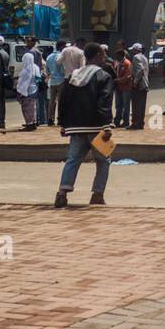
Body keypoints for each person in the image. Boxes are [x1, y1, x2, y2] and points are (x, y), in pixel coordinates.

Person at [54, 43, 115, 208]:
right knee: (103, 160)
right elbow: (104, 101)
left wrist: (63, 124)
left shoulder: (73, 76)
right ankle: (97, 194)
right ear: (96, 56)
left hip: (75, 126)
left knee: (73, 159)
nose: (104, 58)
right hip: (96, 127)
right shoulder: (103, 76)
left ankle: (62, 193)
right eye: (102, 55)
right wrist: (106, 125)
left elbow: (64, 101)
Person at [16, 48, 41, 130]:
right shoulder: (36, 67)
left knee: (26, 108)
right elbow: (38, 79)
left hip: (27, 92)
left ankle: (29, 124)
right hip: (34, 90)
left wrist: (20, 92)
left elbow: (22, 83)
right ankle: (33, 123)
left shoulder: (25, 71)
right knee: (33, 108)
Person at [46, 40, 67, 126]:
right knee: (61, 101)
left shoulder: (49, 57)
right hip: (61, 81)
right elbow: (63, 70)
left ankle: (50, 119)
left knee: (52, 101)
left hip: (52, 81)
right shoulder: (60, 56)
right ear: (61, 47)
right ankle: (60, 119)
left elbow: (47, 70)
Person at [129, 42, 150, 130]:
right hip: (145, 83)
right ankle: (140, 123)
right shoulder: (144, 57)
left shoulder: (136, 57)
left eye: (133, 50)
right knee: (141, 105)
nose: (131, 51)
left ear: (136, 50)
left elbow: (140, 70)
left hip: (139, 84)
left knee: (136, 105)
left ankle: (135, 123)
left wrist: (135, 82)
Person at [112, 47, 132, 128]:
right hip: (118, 87)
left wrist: (118, 80)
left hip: (125, 87)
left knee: (125, 105)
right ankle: (117, 120)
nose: (116, 57)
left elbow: (128, 76)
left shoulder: (127, 63)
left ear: (121, 55)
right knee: (118, 105)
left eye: (117, 55)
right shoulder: (118, 63)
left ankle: (126, 121)